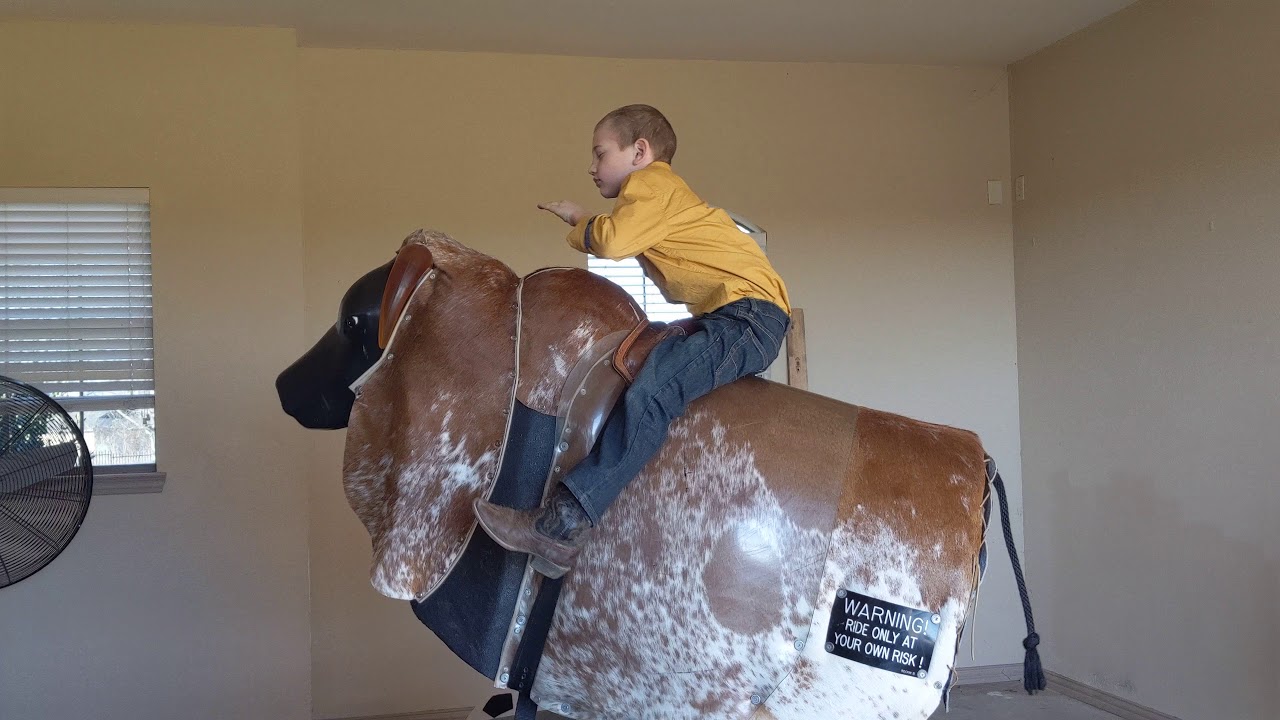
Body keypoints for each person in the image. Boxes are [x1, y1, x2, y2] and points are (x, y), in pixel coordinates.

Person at [472, 104, 791, 577]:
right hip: (740, 314)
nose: (592, 166)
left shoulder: (652, 185)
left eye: (601, 153)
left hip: (747, 317)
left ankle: (562, 524)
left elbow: (614, 242)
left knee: (653, 390)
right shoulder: (659, 203)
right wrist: (585, 220)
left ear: (639, 152)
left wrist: (582, 224)